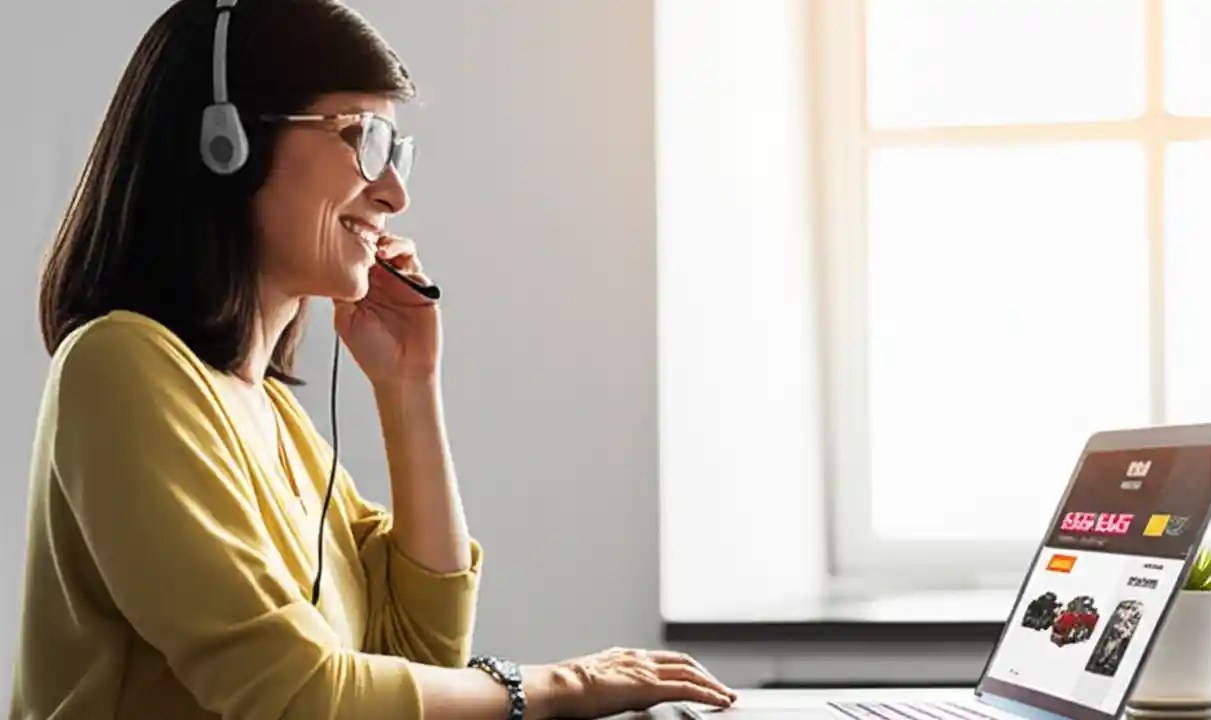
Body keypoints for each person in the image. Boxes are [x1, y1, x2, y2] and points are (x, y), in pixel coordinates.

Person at [9, 1, 736, 718]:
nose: (394, 192)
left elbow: (422, 657)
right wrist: (563, 687)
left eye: (397, 151)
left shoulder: (272, 416)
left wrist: (410, 388)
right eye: (363, 139)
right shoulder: (119, 367)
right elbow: (299, 697)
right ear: (226, 144)